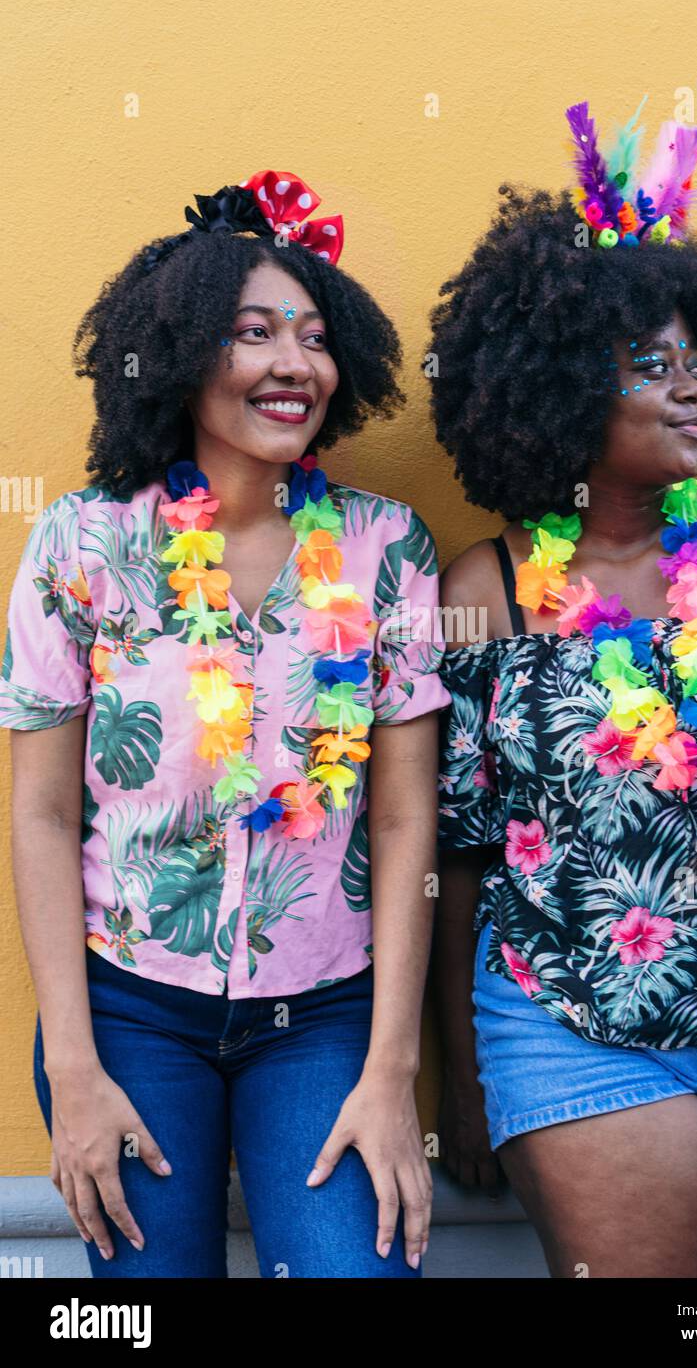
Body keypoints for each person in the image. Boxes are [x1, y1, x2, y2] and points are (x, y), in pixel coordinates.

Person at [429, 101, 697, 1278]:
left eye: (696, 362)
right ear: (560, 386)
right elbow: (459, 852)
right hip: (575, 1026)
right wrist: (451, 1079)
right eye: (650, 366)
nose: (693, 391)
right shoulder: (491, 588)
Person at [0, 169, 450, 1278]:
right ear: (189, 350)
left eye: (311, 336)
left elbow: (402, 826)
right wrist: (77, 1064)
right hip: (130, 1012)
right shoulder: (81, 542)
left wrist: (391, 1071)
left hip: (327, 1016)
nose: (292, 364)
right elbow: (45, 814)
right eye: (253, 334)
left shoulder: (385, 547)